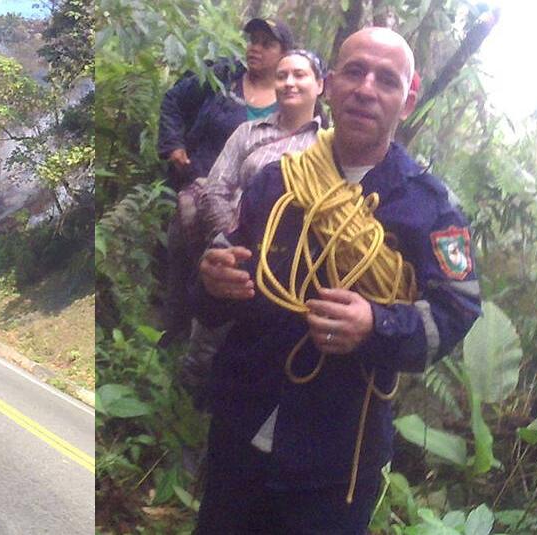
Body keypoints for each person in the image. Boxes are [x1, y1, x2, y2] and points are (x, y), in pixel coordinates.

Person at [194, 27, 482, 532]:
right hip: (241, 424)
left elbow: (457, 309)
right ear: (329, 83)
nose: (366, 88)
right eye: (354, 71)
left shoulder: (429, 207)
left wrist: (376, 324)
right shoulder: (278, 180)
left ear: (408, 99)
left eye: (387, 79)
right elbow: (227, 268)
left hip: (337, 455)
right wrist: (213, 281)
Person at [176, 48, 327, 405]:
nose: (289, 82)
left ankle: (232, 413)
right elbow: (215, 187)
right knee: (206, 337)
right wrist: (237, 239)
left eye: (300, 75)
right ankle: (183, 412)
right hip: (234, 246)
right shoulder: (247, 132)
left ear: (320, 85)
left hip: (288, 270)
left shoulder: (326, 148)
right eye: (282, 75)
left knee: (257, 348)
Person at [156, 17, 292, 342]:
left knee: (225, 283)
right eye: (253, 40)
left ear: (284, 53)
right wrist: (174, 145)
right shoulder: (224, 76)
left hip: (248, 217)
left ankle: (200, 357)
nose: (255, 48)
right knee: (181, 268)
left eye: (266, 43)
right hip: (195, 193)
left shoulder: (292, 96)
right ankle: (166, 339)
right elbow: (174, 100)